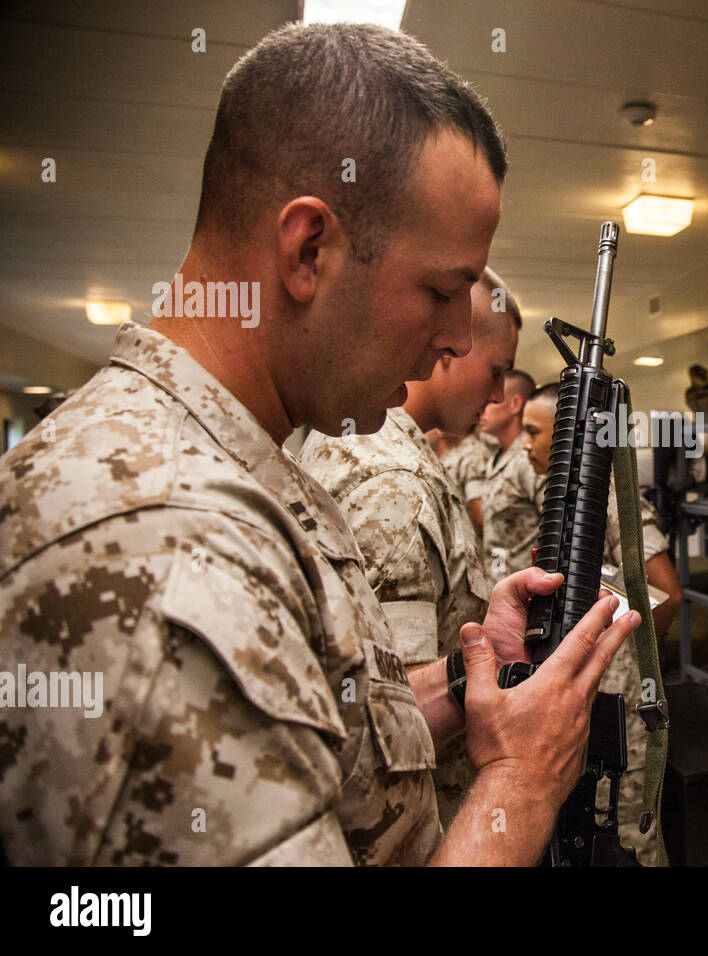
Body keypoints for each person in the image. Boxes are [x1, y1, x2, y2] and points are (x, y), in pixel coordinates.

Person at [0, 22, 636, 866]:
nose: (456, 340)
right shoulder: (165, 547)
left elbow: (332, 741)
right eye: (443, 290)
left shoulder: (251, 468)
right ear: (309, 250)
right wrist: (521, 783)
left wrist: (468, 679)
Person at [298, 266, 521, 824]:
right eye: (496, 371)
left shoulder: (355, 436)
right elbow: (396, 718)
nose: (498, 396)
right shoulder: (397, 482)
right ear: (450, 348)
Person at [519, 382, 684, 864]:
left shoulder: (610, 505)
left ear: (566, 433)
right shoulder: (559, 503)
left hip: (618, 706)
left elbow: (668, 596)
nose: (524, 443)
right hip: (578, 697)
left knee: (627, 832)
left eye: (534, 432)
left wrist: (630, 661)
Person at [479, 369, 543, 581]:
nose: (482, 410)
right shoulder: (495, 458)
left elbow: (560, 527)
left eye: (491, 402)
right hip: (498, 579)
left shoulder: (530, 459)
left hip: (528, 591)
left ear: (515, 404)